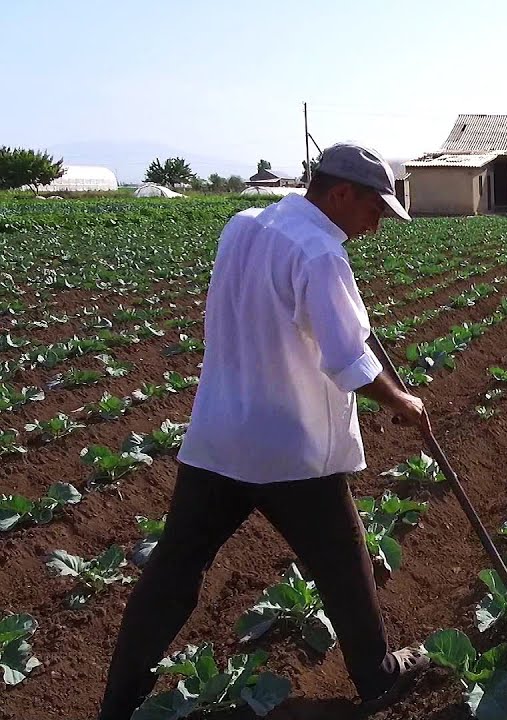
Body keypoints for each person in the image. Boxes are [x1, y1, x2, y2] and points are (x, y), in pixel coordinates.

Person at [98, 143, 433, 719]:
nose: (375, 227)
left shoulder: (244, 225)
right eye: (375, 211)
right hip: (290, 448)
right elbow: (347, 359)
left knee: (172, 574)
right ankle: (378, 679)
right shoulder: (320, 252)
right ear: (340, 194)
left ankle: (117, 705)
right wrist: (401, 401)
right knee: (343, 564)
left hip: (219, 435)